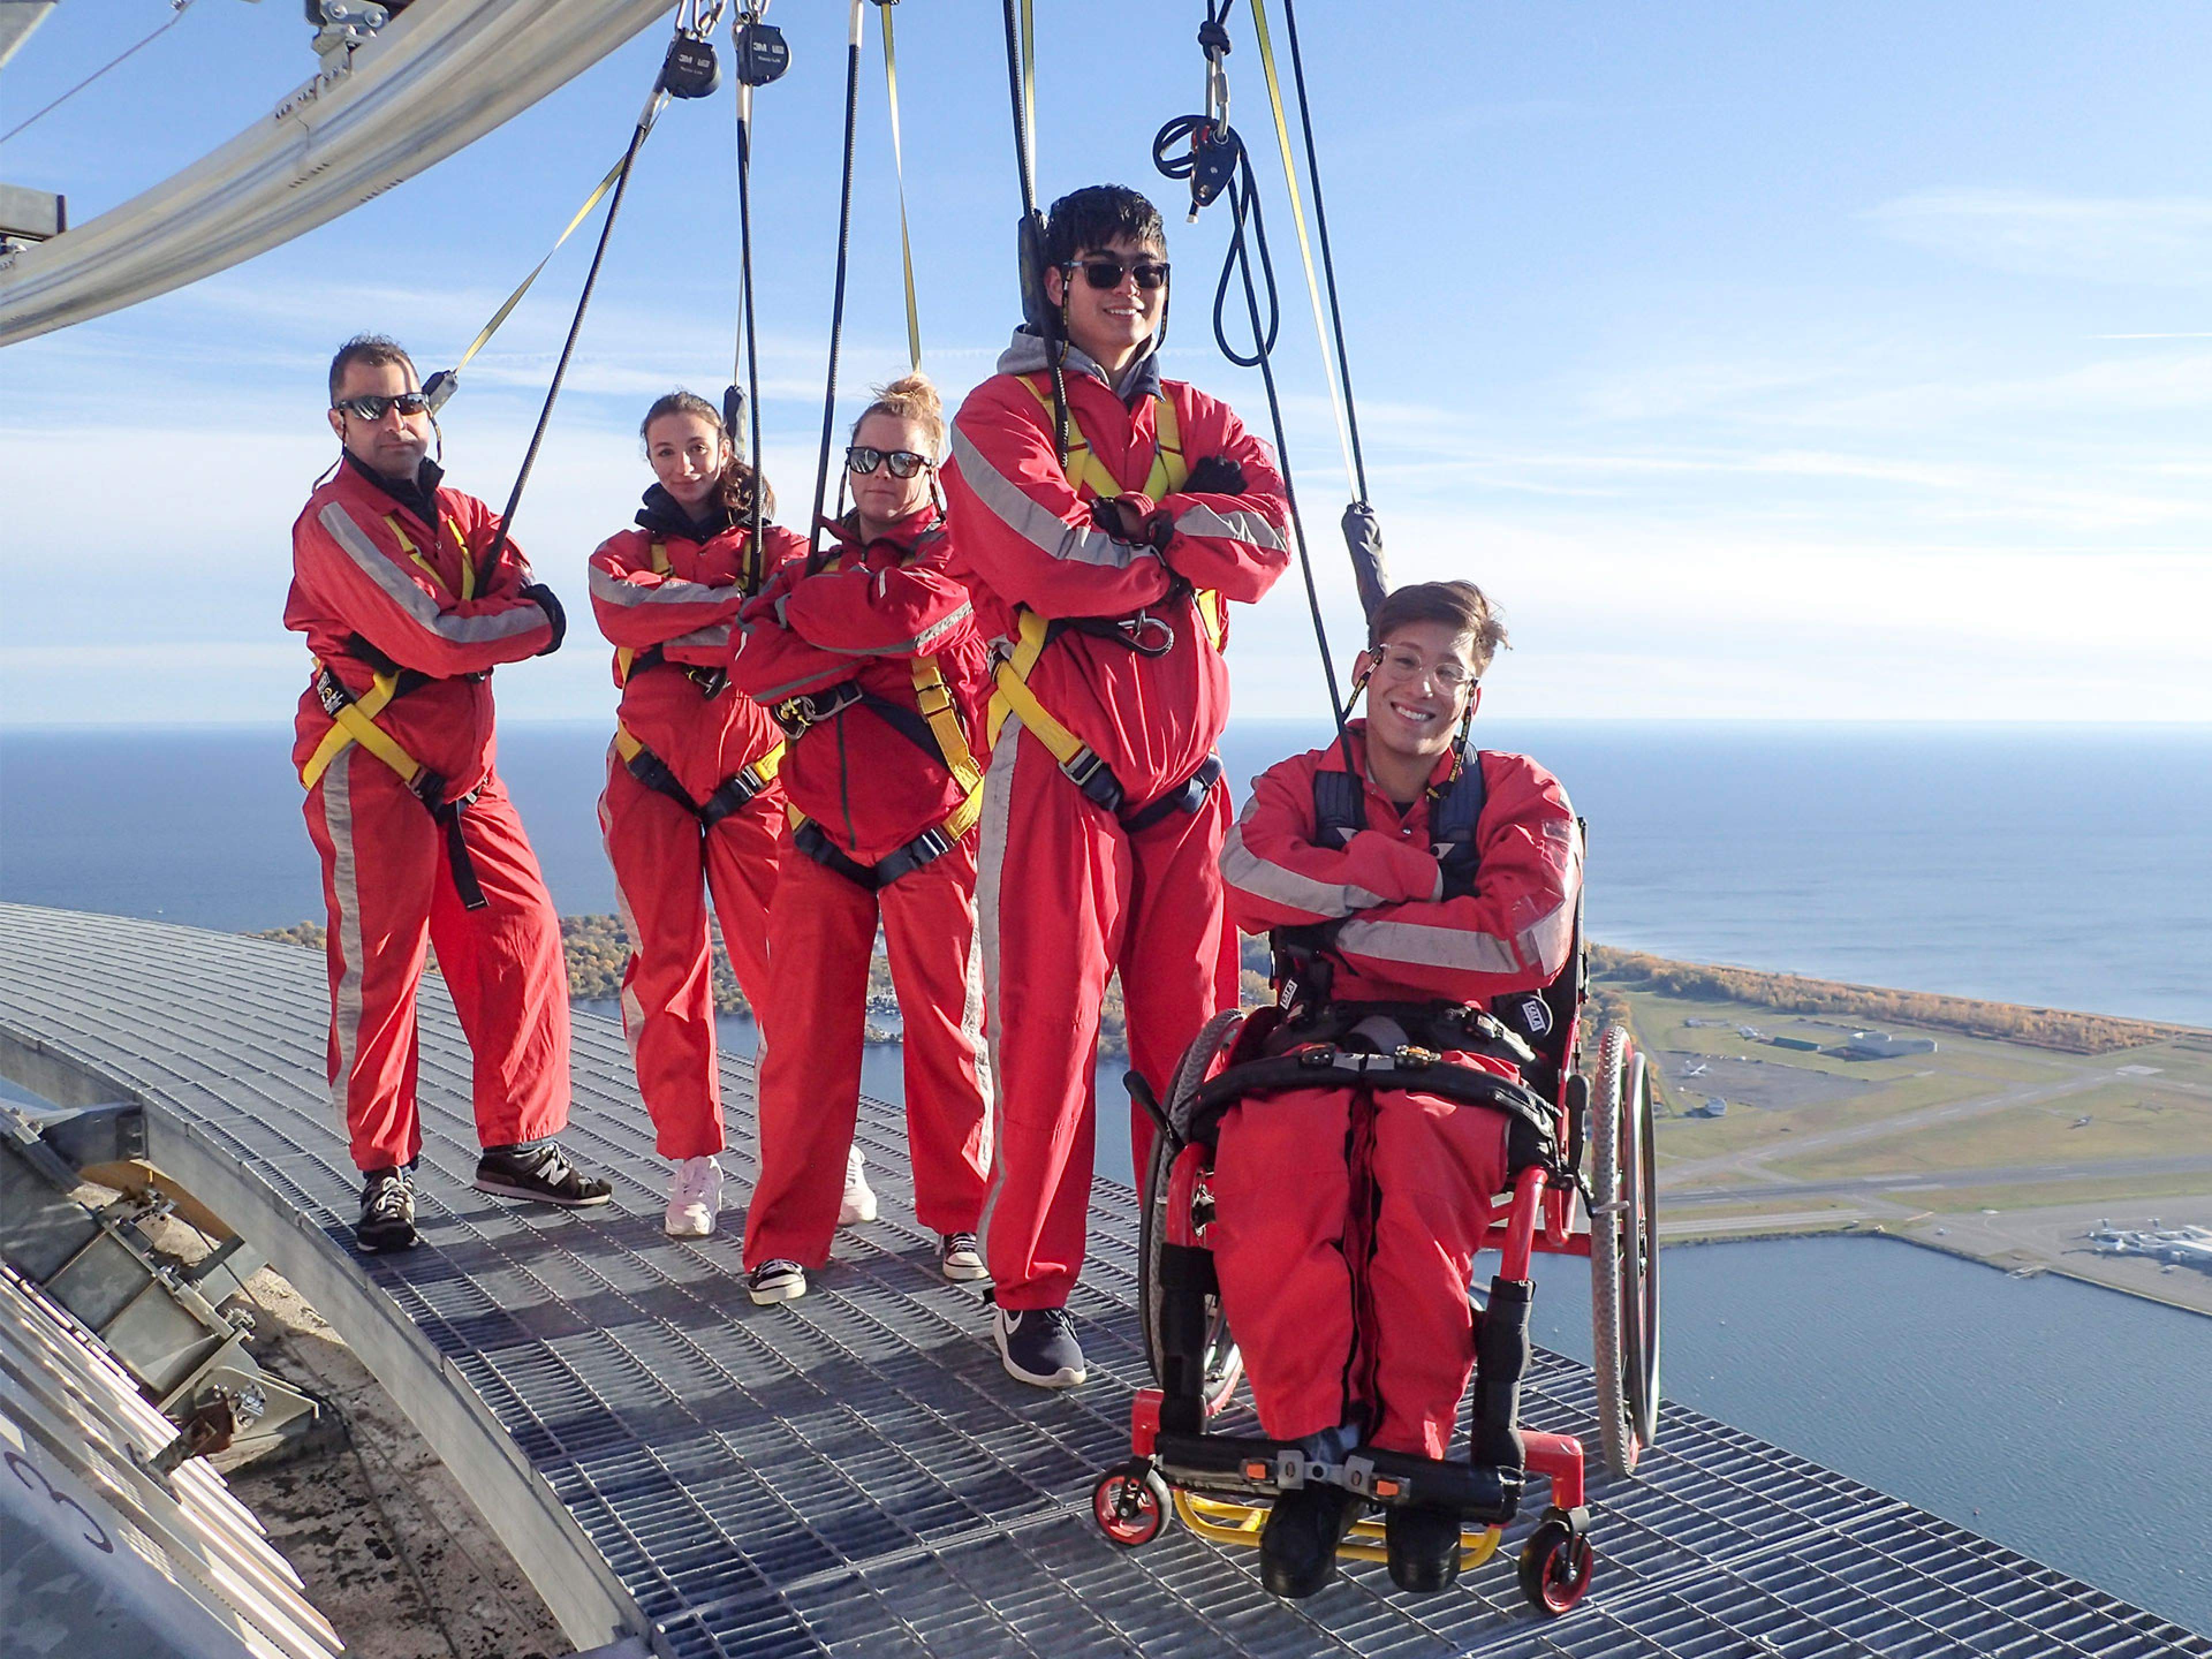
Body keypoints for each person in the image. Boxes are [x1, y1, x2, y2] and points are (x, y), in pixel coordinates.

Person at [942, 184, 1291, 1388]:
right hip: (1062, 776)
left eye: (1149, 271)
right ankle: (1032, 1286)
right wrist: (1173, 543)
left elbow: (1272, 542)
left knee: (1196, 1056)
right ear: (1055, 282)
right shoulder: (998, 415)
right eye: (1106, 270)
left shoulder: (1197, 410)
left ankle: (1186, 1277)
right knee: (1045, 1039)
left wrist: (1140, 522)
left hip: (1186, 793)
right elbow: (1046, 554)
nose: (1132, 290)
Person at [1210, 579, 1581, 1597]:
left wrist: (1345, 915)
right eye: (1405, 661)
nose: (1422, 687)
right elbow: (1246, 882)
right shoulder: (1299, 781)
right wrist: (1419, 883)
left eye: (1449, 672)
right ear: (1367, 667)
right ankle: (1313, 1459)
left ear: (1474, 695)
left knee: (1410, 1168)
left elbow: (1524, 944)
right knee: (1283, 1167)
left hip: (1466, 1055)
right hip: (1317, 1043)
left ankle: (1415, 1462)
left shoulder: (1522, 795)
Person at [286, 334, 611, 1253]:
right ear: (338, 421)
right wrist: (530, 623)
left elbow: (507, 598)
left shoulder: (467, 512)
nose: (394, 421)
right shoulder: (334, 521)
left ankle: (516, 1143)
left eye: (405, 404)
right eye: (370, 407)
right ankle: (385, 1171)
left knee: (521, 937)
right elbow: (441, 636)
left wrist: (511, 617)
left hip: (465, 776)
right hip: (370, 765)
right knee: (383, 970)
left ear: (429, 411)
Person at [731, 374, 995, 1305]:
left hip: (933, 837)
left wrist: (804, 620)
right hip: (821, 839)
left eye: (903, 459)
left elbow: (915, 617)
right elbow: (750, 662)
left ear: (936, 472)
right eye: (866, 458)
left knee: (946, 1039)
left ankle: (964, 1218)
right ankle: (786, 1238)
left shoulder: (965, 564)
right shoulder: (815, 573)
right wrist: (840, 626)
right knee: (803, 1045)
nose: (881, 476)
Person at [589, 391, 811, 1237]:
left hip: (753, 778)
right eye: (663, 452)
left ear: (725, 446)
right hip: (652, 779)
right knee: (667, 968)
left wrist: (691, 612)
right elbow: (625, 610)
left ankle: (813, 1144)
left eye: (694, 446)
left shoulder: (780, 544)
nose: (681, 465)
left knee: (782, 971)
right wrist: (738, 609)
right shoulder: (621, 551)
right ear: (647, 461)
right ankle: (694, 1159)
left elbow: (795, 614)